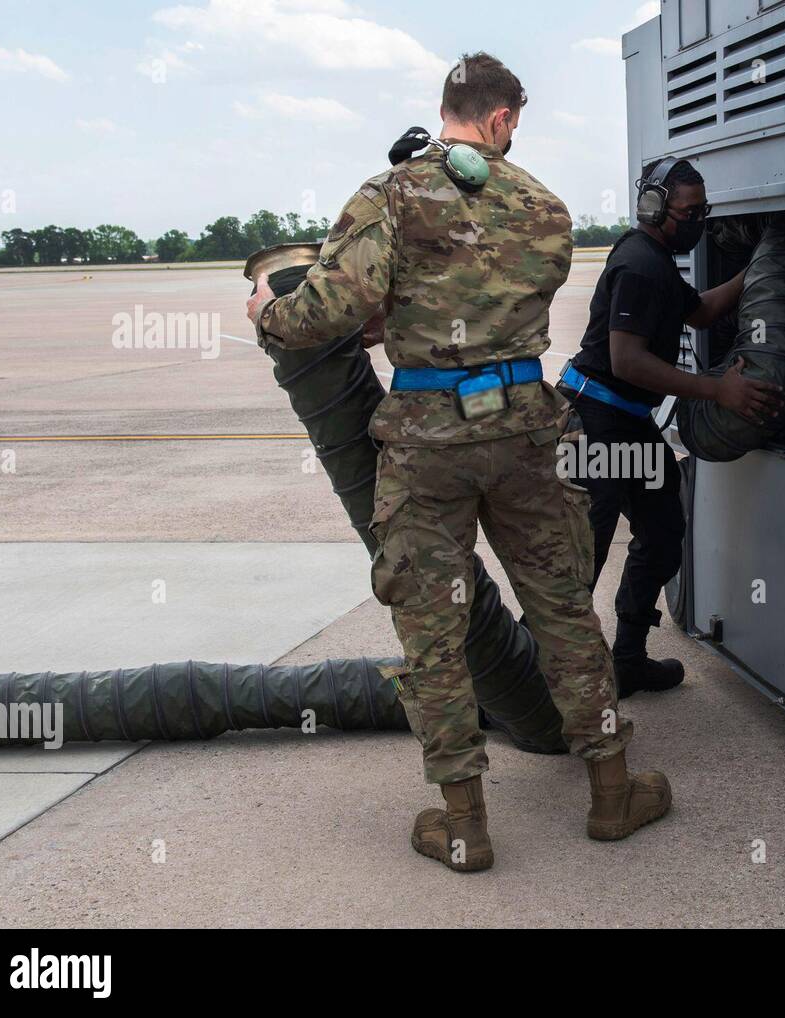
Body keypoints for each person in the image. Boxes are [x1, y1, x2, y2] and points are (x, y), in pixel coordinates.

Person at [246, 53, 670, 873]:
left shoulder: (389, 195)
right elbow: (500, 300)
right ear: (504, 117)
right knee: (563, 614)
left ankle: (466, 825)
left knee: (433, 633)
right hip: (521, 436)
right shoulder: (544, 209)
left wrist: (272, 315)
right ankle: (613, 795)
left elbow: (327, 310)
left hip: (427, 443)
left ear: (446, 109)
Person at [561, 157, 785, 697]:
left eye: (703, 210)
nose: (699, 221)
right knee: (579, 560)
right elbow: (627, 361)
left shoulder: (660, 260)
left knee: (663, 533)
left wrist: (757, 267)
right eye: (690, 211)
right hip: (597, 421)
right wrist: (717, 389)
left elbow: (701, 313)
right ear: (655, 208)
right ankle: (532, 686)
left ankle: (628, 659)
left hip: (629, 421)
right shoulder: (640, 265)